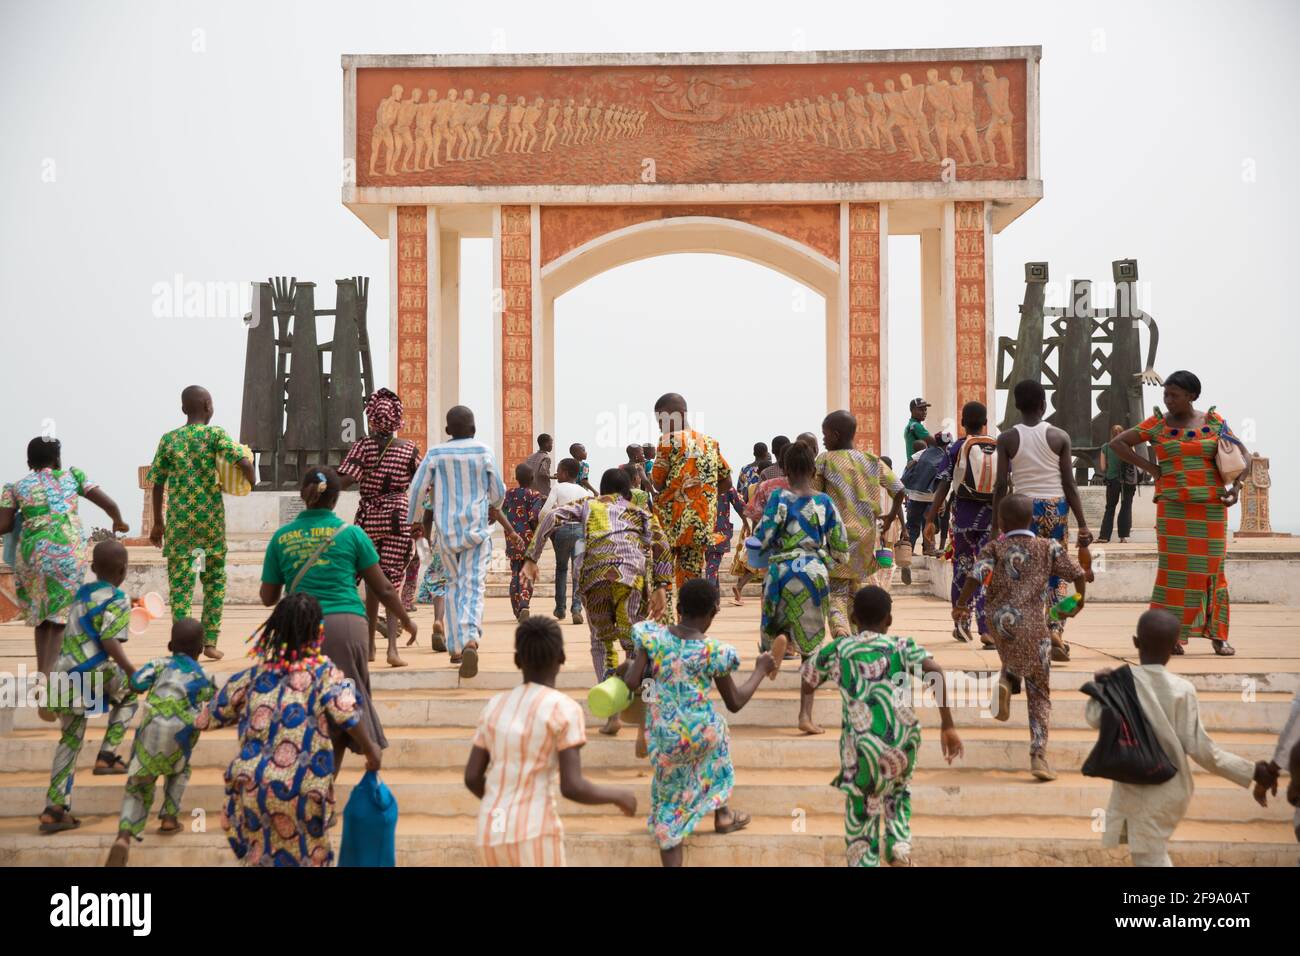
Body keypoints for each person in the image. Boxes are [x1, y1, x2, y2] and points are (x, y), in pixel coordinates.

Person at [1086, 609, 1276, 866]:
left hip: (1136, 787)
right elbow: (1203, 751)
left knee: (1149, 858)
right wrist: (1252, 770)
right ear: (1174, 646)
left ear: (1135, 642)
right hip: (1170, 789)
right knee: (1149, 855)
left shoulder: (1120, 683)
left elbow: (1094, 718)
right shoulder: (1182, 690)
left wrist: (1101, 688)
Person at [208, 593, 382, 866]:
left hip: (253, 787)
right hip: (304, 789)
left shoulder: (254, 676)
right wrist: (371, 749)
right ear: (318, 632)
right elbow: (347, 713)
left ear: (274, 630)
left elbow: (209, 717)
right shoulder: (324, 673)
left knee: (259, 856)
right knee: (307, 856)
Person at [261, 467, 414, 768]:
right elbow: (382, 587)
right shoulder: (352, 534)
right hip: (347, 626)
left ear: (302, 496)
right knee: (344, 702)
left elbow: (268, 597)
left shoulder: (281, 537)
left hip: (299, 629)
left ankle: (302, 780)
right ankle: (328, 780)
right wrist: (406, 620)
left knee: (302, 704)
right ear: (335, 498)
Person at [803, 586, 963, 866]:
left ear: (853, 618)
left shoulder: (841, 649)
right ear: (889, 620)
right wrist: (947, 725)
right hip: (902, 744)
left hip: (861, 750)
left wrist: (805, 711)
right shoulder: (901, 647)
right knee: (898, 796)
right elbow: (935, 672)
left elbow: (808, 676)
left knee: (862, 808)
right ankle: (899, 848)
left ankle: (864, 860)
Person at [622, 579, 776, 866]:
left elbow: (634, 681)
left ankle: (672, 830)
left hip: (666, 737)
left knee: (669, 809)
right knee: (718, 733)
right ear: (714, 612)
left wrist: (646, 694)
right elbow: (735, 702)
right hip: (703, 734)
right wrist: (760, 671)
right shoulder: (714, 652)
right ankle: (723, 814)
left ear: (677, 609)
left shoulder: (652, 637)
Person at [464, 616, 637, 867]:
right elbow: (572, 785)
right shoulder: (563, 709)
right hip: (534, 832)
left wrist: (503, 806)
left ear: (516, 660)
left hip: (491, 827)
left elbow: (472, 777)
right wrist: (618, 794)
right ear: (562, 657)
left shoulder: (496, 705)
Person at [1107, 371, 1245, 656]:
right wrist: (1153, 469)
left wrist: (1237, 489)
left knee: (1212, 572)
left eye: (1174, 395)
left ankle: (1218, 636)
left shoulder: (1214, 422)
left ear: (1192, 396)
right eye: (1166, 395)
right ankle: (1170, 637)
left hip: (1211, 509)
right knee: (1174, 574)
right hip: (1173, 510)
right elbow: (1118, 444)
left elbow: (1244, 456)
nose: (1168, 400)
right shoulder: (1158, 424)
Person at [523, 467, 671, 733]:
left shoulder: (588, 504)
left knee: (602, 645)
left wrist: (532, 556)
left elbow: (553, 515)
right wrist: (661, 586)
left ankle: (612, 712)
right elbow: (662, 544)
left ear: (601, 490)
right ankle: (649, 710)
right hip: (630, 578)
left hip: (594, 578)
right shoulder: (640, 512)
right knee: (638, 645)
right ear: (628, 492)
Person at [957, 494, 1087, 781]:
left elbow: (974, 577)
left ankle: (1008, 676)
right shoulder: (1047, 547)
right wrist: (1078, 601)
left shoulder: (995, 547)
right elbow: (1079, 573)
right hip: (1035, 626)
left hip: (998, 624)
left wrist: (960, 606)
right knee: (1039, 693)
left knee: (1013, 650)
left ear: (1001, 521)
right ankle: (1038, 755)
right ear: (1032, 519)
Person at [1, 437, 129, 677]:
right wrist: (119, 521)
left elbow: (5, 524)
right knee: (60, 617)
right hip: (67, 551)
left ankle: (41, 676)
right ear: (57, 459)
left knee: (42, 617)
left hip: (32, 554)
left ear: (29, 461)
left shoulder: (15, 487)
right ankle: (51, 676)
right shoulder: (73, 477)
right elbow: (108, 504)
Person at [146, 386, 254, 660]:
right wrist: (252, 478)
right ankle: (209, 642)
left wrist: (157, 523)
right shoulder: (215, 435)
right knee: (214, 582)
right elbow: (241, 459)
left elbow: (157, 482)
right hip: (210, 528)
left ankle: (184, 646)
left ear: (184, 409)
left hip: (181, 528)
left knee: (182, 588)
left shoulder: (169, 440)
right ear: (208, 406)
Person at [37, 540, 138, 833]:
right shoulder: (118, 598)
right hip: (92, 672)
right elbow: (109, 640)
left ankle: (54, 808)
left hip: (63, 673)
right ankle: (107, 755)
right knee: (130, 692)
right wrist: (131, 671)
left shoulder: (80, 595)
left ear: (92, 568)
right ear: (123, 570)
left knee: (69, 742)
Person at [992, 380, 1094, 661]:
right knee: (1057, 573)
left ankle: (1033, 633)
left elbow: (1001, 484)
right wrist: (1083, 524)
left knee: (1024, 575)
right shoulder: (1060, 436)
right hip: (1056, 509)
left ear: (1016, 406)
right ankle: (1056, 629)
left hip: (1021, 512)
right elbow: (1070, 484)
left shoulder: (1007, 439)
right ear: (1043, 405)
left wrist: (994, 524)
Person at [754, 439, 849, 735]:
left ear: (783, 468)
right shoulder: (824, 502)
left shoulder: (779, 499)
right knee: (812, 651)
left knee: (778, 623)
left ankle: (780, 641)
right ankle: (805, 716)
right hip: (812, 572)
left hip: (781, 571)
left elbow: (763, 536)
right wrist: (826, 561)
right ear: (812, 468)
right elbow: (841, 547)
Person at [105, 619, 215, 866]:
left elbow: (136, 683)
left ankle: (124, 835)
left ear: (169, 645)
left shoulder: (157, 664)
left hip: (150, 736)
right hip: (181, 737)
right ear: (199, 650)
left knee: (138, 785)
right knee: (178, 773)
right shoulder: (203, 674)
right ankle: (169, 818)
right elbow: (213, 701)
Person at [407, 405, 505, 677]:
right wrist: (492, 507)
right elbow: (498, 489)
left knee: (452, 586)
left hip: (446, 534)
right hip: (476, 532)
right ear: (474, 429)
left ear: (448, 430)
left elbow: (417, 489)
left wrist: (414, 521)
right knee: (473, 586)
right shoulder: (484, 451)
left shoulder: (436, 453)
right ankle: (470, 638)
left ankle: (454, 647)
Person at [337, 388, 422, 667]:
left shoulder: (363, 446)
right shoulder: (409, 449)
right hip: (399, 516)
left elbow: (345, 480)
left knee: (373, 581)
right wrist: (421, 520)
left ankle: (371, 646)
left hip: (369, 517)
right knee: (390, 582)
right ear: (397, 420)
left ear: (372, 419)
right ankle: (393, 650)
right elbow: (423, 485)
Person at [814, 410, 904, 639]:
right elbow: (899, 489)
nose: (823, 439)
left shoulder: (825, 459)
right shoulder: (872, 461)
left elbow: (813, 496)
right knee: (854, 588)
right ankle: (857, 636)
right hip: (865, 537)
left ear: (835, 435)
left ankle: (841, 631)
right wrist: (891, 516)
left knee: (836, 591)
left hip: (836, 536)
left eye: (825, 435)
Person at [926, 401, 997, 646]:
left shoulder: (956, 448)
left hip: (964, 519)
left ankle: (962, 624)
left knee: (962, 570)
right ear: (986, 422)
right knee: (985, 572)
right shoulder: (996, 447)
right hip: (991, 519)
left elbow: (944, 483)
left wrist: (931, 517)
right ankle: (986, 628)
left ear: (963, 423)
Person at [650, 393, 733, 595]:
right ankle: (687, 623)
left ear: (677, 415)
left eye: (661, 420)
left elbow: (658, 483)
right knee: (690, 579)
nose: (660, 426)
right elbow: (727, 481)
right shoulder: (710, 443)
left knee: (663, 580)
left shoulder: (667, 441)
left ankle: (666, 623)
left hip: (670, 524)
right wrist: (704, 499)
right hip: (700, 524)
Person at [539, 458, 592, 624]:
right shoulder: (583, 492)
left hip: (561, 530)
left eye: (558, 471)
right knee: (577, 572)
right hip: (579, 531)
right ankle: (576, 609)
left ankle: (560, 608)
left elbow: (545, 511)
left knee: (561, 568)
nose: (557, 474)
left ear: (565, 473)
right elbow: (588, 516)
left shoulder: (558, 488)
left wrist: (545, 523)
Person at [501, 463, 544, 621]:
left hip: (512, 539)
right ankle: (524, 605)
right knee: (527, 572)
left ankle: (516, 608)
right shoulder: (534, 494)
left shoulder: (509, 494)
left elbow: (501, 512)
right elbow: (533, 517)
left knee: (515, 573)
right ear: (532, 478)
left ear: (516, 478)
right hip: (528, 539)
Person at [1097, 423, 1138, 543]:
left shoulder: (1105, 447)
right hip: (1128, 482)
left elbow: (1103, 468)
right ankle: (1123, 537)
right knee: (1126, 507)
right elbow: (1135, 460)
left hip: (1112, 480)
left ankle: (1104, 537)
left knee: (1110, 508)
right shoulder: (1129, 445)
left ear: (1111, 434)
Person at [706, 481, 748, 588]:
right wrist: (747, 523)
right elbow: (741, 506)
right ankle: (710, 599)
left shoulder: (700, 484)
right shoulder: (727, 486)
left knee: (712, 565)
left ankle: (715, 600)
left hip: (702, 532)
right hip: (719, 533)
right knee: (712, 566)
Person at [523, 433, 555, 499]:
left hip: (530, 491)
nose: (552, 445)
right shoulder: (546, 458)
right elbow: (543, 473)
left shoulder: (530, 457)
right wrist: (553, 477)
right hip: (541, 492)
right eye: (551, 443)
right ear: (546, 444)